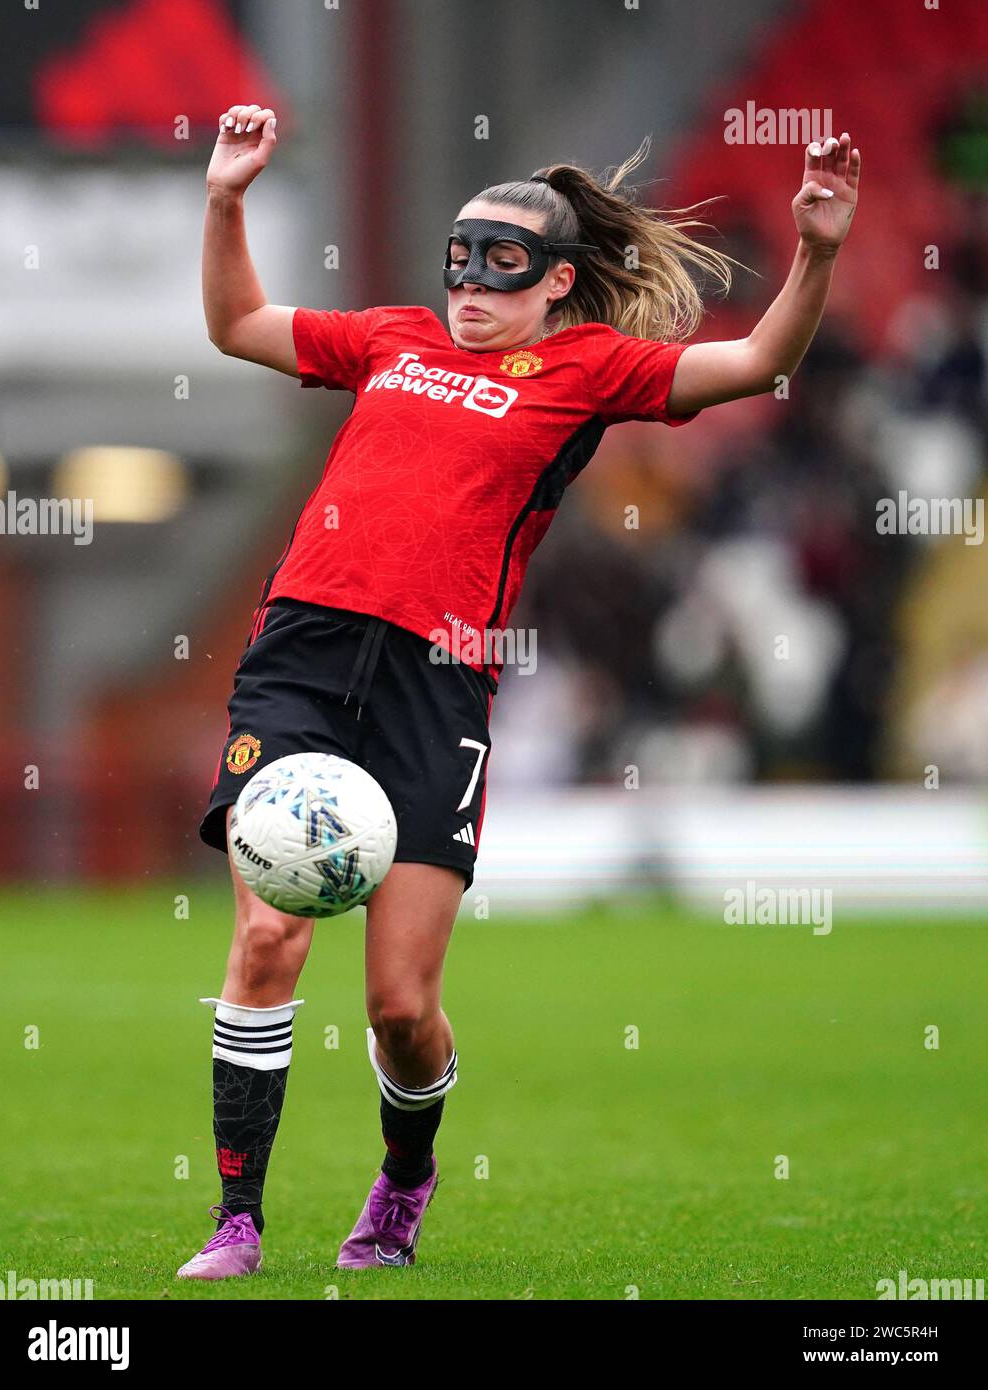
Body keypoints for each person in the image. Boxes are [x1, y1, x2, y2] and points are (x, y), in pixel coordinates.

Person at [177, 104, 861, 1278]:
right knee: (265, 934)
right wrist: (227, 195)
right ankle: (236, 1219)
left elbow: (757, 364)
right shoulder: (390, 337)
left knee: (399, 1003)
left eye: (505, 263)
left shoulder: (588, 369)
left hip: (433, 687)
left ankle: (403, 1176)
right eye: (461, 256)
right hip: (297, 655)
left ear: (556, 284)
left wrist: (816, 251)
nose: (471, 283)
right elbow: (239, 321)